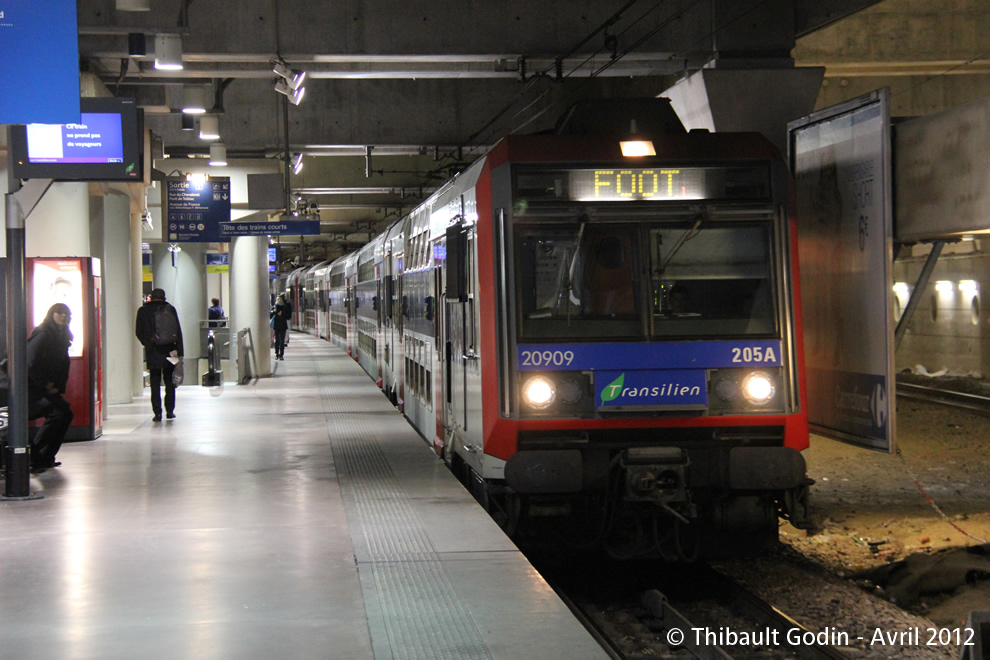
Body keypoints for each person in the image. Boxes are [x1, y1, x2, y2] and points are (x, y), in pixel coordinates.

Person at [26, 302, 75, 471]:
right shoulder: (43, 334)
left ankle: (45, 456)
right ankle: (36, 456)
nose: (63, 316)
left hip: (46, 388)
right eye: (59, 313)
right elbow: (30, 363)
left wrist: (57, 386)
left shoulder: (61, 337)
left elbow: (63, 365)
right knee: (57, 413)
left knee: (65, 413)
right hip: (32, 389)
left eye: (66, 314)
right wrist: (45, 384)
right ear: (51, 315)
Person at [135, 288, 184, 422]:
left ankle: (157, 413)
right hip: (169, 350)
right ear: (164, 297)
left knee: (155, 382)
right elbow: (178, 331)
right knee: (169, 381)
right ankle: (170, 411)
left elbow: (138, 332)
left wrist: (147, 343)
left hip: (153, 351)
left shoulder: (143, 311)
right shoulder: (170, 309)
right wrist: (180, 351)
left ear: (151, 297)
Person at [271, 294, 290, 360]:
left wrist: (283, 313)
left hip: (283, 326)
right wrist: (274, 312)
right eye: (278, 299)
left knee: (282, 341)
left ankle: (281, 354)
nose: (279, 300)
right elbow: (270, 316)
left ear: (282, 300)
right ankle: (277, 353)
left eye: (280, 299)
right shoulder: (274, 307)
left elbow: (288, 316)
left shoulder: (285, 307)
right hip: (276, 326)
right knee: (277, 340)